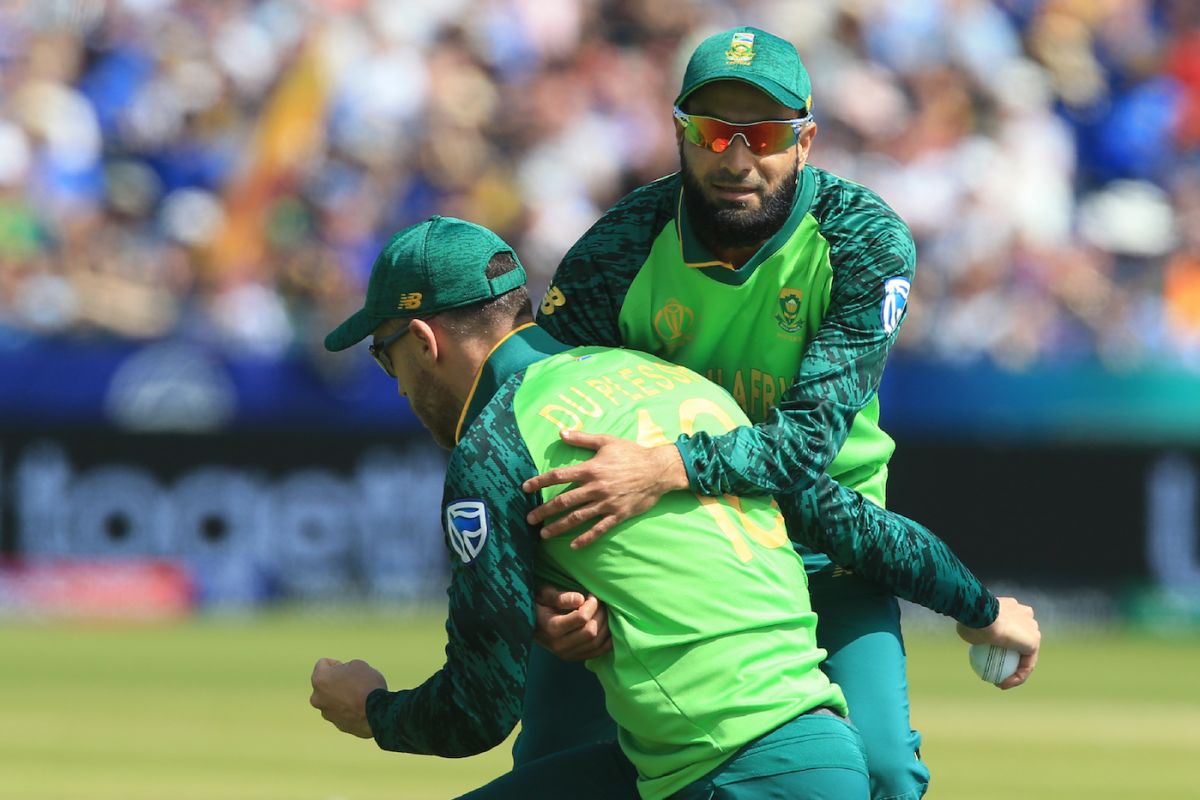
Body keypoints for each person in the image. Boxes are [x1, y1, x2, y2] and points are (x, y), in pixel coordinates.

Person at [308, 215, 1041, 799]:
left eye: (384, 354)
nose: (396, 383)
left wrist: (371, 709)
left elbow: (480, 709)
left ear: (425, 341)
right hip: (818, 754)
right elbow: (854, 525)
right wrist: (980, 607)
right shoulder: (670, 384)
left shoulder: (496, 447)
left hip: (728, 779)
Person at [519, 25, 958, 800]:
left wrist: (665, 464)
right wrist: (551, 594)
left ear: (806, 142)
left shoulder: (860, 240)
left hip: (826, 547)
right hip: (661, 559)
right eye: (714, 132)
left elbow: (804, 448)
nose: (736, 158)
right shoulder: (615, 253)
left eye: (764, 135)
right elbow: (529, 438)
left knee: (884, 772)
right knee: (554, 767)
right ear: (680, 134)